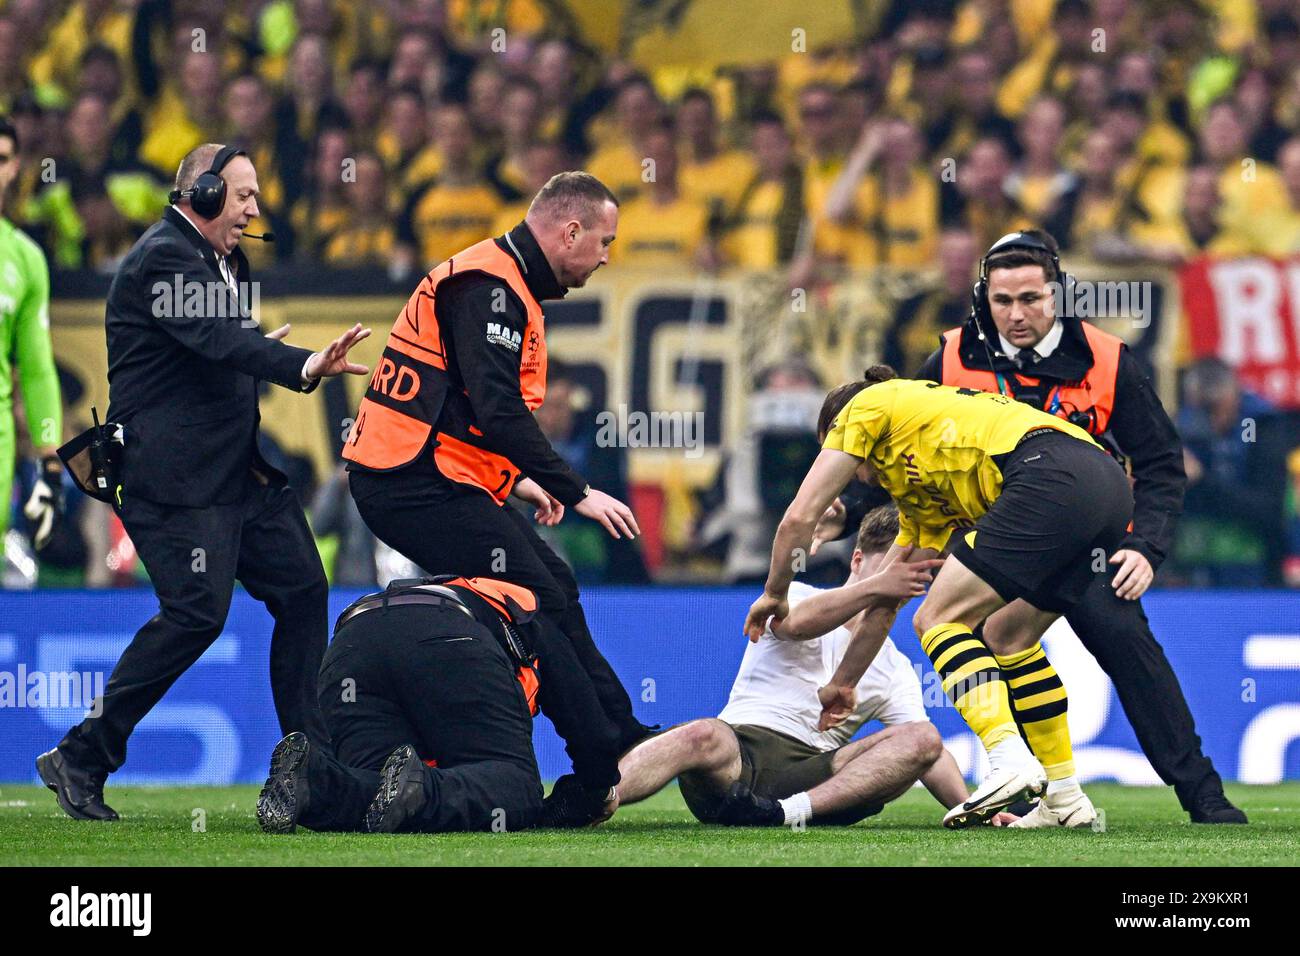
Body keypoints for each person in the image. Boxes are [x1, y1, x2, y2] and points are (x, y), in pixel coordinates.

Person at [828, 231, 1246, 824]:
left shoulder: (1108, 359)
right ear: (983, 300)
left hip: (1094, 540)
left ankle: (1203, 798)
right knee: (1005, 638)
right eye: (1002, 301)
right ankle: (1058, 796)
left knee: (1130, 654)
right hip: (1007, 533)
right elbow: (888, 440)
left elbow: (1159, 462)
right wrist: (844, 509)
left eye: (1031, 299)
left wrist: (1147, 546)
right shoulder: (951, 357)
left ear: (1057, 295)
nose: (1017, 315)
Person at [37, 143, 371, 822]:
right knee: (196, 612)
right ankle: (81, 754)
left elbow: (216, 347)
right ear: (205, 192)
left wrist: (251, 349)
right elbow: (225, 344)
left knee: (305, 587)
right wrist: (301, 361)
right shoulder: (164, 256)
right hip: (174, 479)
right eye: (243, 195)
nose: (254, 208)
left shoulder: (224, 261)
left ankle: (311, 769)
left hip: (235, 473)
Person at [342, 171, 652, 812]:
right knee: (538, 593)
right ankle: (603, 755)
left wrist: (519, 481)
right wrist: (578, 488)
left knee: (550, 587)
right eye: (603, 242)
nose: (604, 257)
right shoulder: (491, 288)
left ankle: (611, 741)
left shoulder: (500, 284)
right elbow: (499, 410)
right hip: (410, 482)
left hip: (426, 475)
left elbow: (465, 415)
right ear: (569, 232)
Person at [745, 365, 1134, 828]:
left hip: (1045, 473)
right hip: (1106, 488)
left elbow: (798, 518)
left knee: (938, 619)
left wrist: (774, 592)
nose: (858, 479)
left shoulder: (865, 406)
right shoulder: (922, 493)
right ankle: (1066, 798)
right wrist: (845, 683)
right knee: (1009, 636)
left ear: (836, 431)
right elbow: (886, 601)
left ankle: (1007, 758)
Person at [618, 505, 1023, 828]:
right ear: (857, 559)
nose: (906, 585)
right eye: (893, 569)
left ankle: (789, 815)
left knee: (923, 737)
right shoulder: (796, 593)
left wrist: (976, 810)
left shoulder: (894, 666)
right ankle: (603, 797)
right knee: (702, 732)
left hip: (814, 775)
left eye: (917, 576)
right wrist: (878, 587)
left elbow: (928, 755)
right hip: (737, 755)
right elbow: (793, 624)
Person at [257, 577, 618, 834]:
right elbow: (589, 722)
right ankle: (422, 790)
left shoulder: (471, 592)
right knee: (517, 787)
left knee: (375, 795)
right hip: (444, 634)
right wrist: (595, 789)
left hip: (350, 649)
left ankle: (315, 781)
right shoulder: (528, 612)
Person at [0, 116, 64, 559]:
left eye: (1, 159)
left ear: (15, 167)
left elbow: (38, 368)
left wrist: (50, 466)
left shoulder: (26, 258)